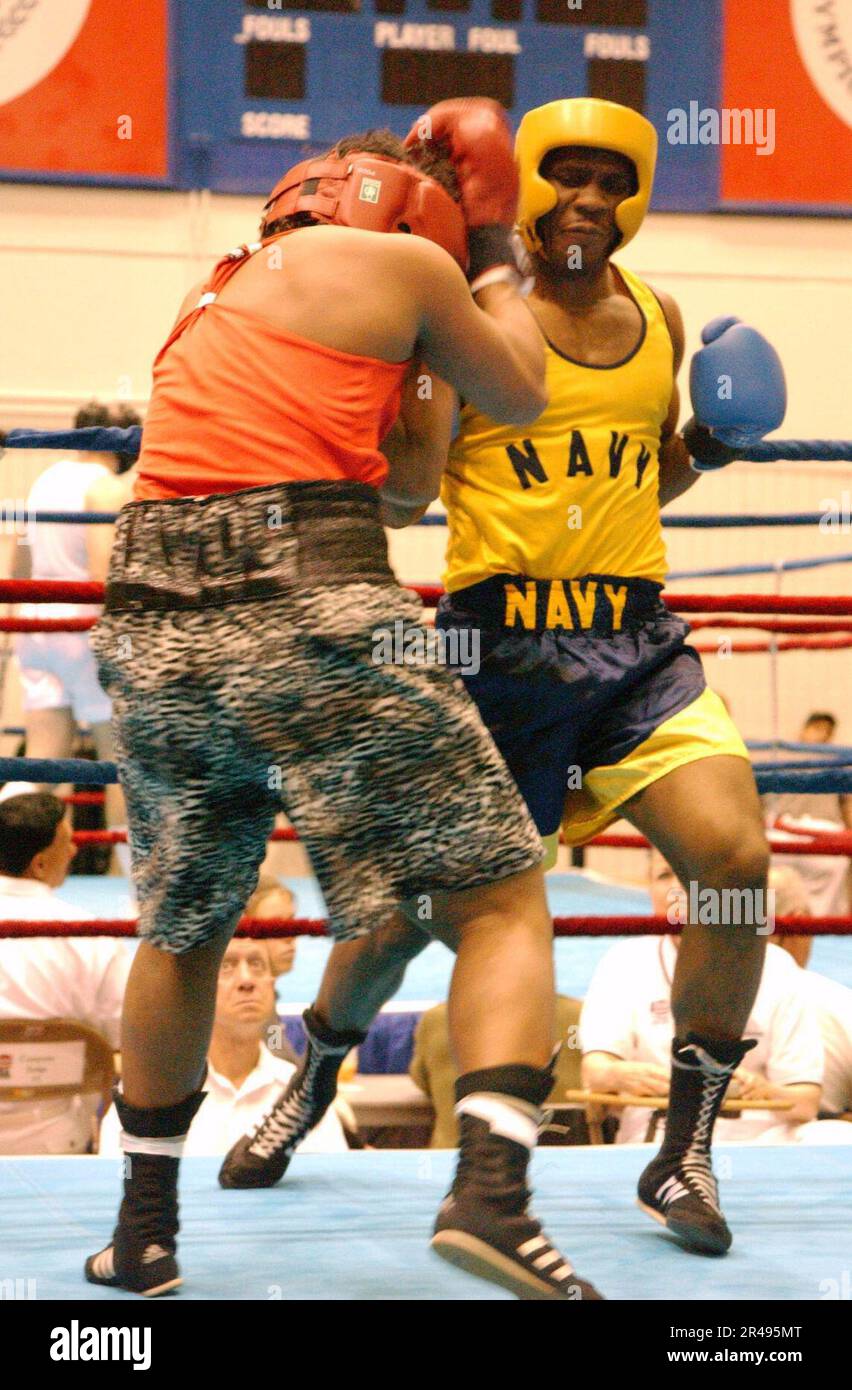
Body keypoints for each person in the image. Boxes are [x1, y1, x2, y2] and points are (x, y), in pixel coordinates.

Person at [236, 98, 786, 1260]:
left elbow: (645, 477)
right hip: (493, 649)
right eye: (562, 178)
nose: (584, 200)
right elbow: (404, 492)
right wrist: (386, 394)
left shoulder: (661, 317)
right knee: (394, 917)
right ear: (523, 192)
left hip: (637, 647)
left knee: (736, 865)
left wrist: (709, 448)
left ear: (632, 196)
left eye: (606, 180)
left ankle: (684, 1146)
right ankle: (317, 1064)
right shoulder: (469, 317)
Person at [84, 102, 601, 1301]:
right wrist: (491, 261)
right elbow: (521, 387)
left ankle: (145, 1234)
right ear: (429, 211)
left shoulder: (213, 293)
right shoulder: (417, 259)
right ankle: (491, 1198)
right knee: (502, 899)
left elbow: (408, 485)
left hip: (152, 609)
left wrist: (425, 367)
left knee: (181, 928)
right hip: (310, 586)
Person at [579, 859, 823, 1151]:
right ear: (649, 890)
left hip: (764, 1141)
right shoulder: (625, 961)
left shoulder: (778, 967)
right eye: (663, 876)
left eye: (686, 872)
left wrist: (764, 1091)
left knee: (837, 1137)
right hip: (659, 1138)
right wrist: (621, 1075)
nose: (676, 889)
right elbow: (595, 1071)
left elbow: (806, 1101)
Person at [13, 403, 140, 839]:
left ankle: (6, 872)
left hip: (35, 620)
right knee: (117, 762)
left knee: (42, 762)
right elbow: (101, 572)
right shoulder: (105, 487)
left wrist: (14, 625)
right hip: (84, 624)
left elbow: (21, 560)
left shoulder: (44, 480)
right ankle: (132, 890)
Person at [99, 937, 345, 1157]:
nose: (246, 981)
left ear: (272, 984)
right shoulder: (147, 1092)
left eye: (257, 965)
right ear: (197, 987)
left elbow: (331, 1179)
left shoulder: (302, 1091)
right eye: (226, 966)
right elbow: (122, 1176)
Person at [0, 792, 130, 1152]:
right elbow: (125, 1036)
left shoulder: (91, 936)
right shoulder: (93, 938)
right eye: (67, 843)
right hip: (58, 1140)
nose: (75, 851)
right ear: (39, 865)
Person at [411, 995, 583, 1148]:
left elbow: (421, 1078)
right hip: (567, 1148)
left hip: (457, 1153)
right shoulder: (579, 1014)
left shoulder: (437, 1018)